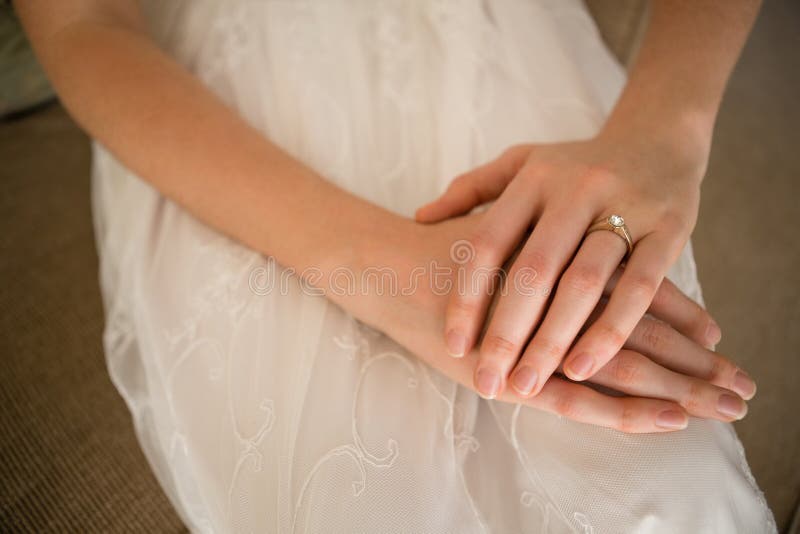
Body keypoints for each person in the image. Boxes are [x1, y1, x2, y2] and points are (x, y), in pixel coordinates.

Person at [19, 0, 776, 531]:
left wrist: (668, 126)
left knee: (664, 489)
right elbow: (84, 24)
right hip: (229, 130)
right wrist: (375, 268)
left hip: (495, 47)